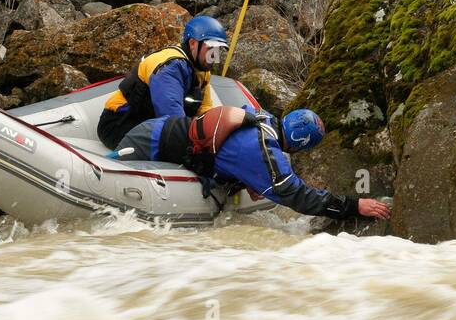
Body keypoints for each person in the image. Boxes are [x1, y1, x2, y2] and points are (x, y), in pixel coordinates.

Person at [110, 104, 392, 221]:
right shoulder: (266, 152)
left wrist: (244, 181)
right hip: (150, 142)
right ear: (301, 143)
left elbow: (230, 153)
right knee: (110, 168)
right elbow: (298, 196)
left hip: (157, 129)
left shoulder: (263, 118)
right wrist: (353, 206)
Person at [96, 15, 227, 151]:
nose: (214, 56)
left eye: (219, 50)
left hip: (147, 122)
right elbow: (173, 117)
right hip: (119, 123)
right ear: (193, 43)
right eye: (211, 48)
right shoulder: (169, 68)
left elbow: (204, 109)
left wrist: (214, 133)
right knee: (187, 153)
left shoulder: (202, 69)